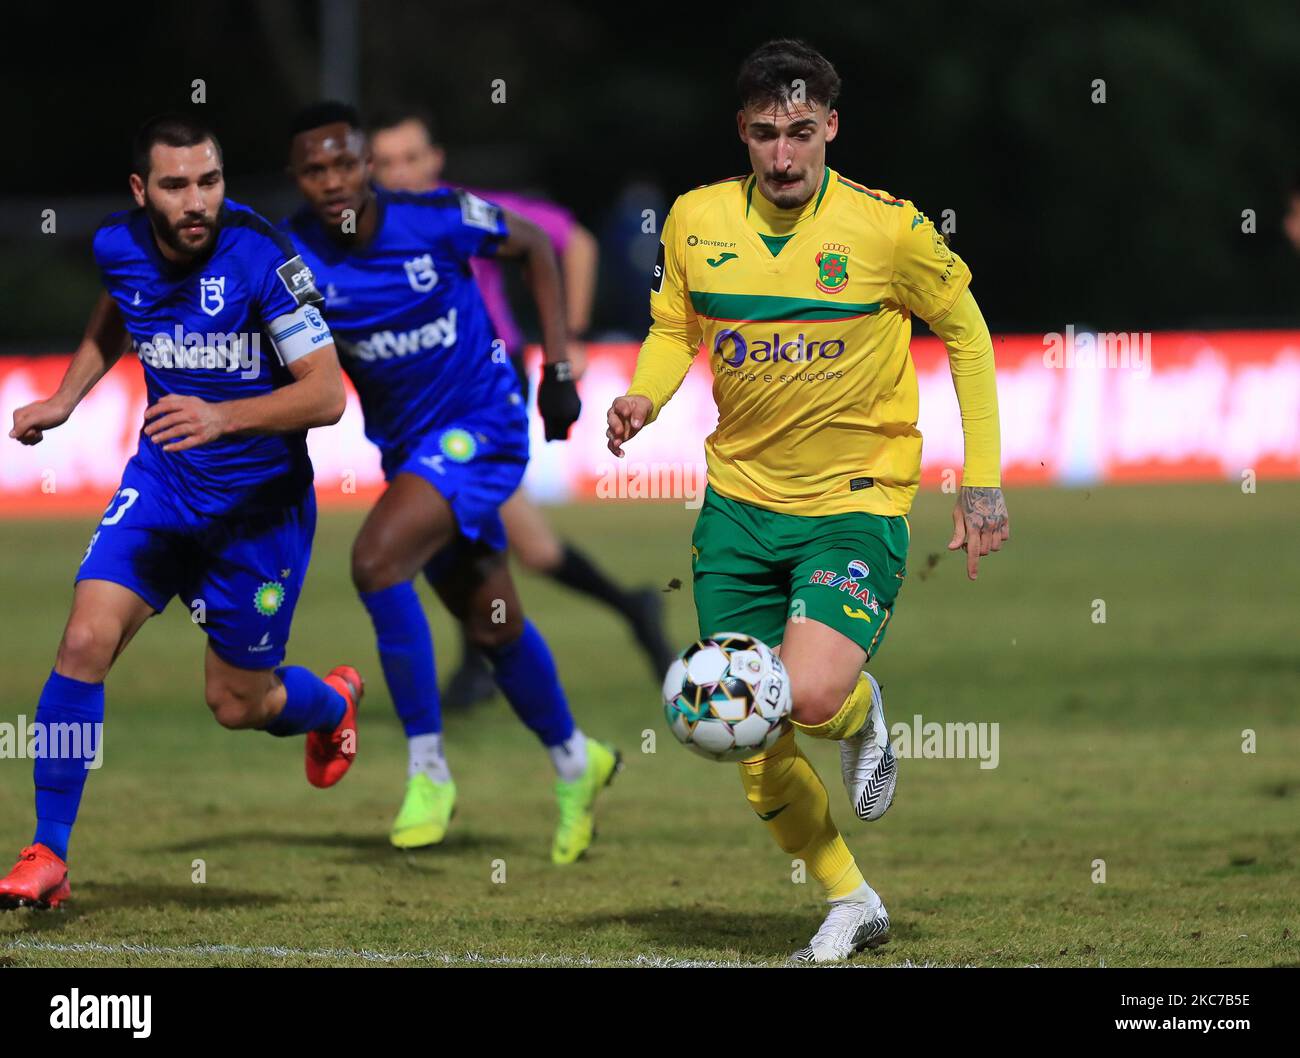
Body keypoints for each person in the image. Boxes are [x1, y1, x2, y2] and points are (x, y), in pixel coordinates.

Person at [606, 40, 1010, 962]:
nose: (782, 156)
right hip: (739, 507)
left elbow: (969, 335)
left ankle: (860, 711)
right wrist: (644, 393)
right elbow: (676, 327)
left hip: (854, 501)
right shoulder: (696, 220)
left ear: (830, 126)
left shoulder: (888, 229)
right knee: (739, 729)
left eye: (799, 132)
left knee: (813, 695)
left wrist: (979, 476)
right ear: (740, 133)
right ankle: (850, 900)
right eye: (763, 135)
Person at [1, 113, 362, 910]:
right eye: (175, 185)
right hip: (163, 488)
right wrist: (67, 396)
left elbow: (327, 395)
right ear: (142, 191)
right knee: (82, 639)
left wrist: (221, 417)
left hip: (258, 512)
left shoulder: (264, 257)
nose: (197, 200)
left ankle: (332, 702)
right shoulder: (116, 246)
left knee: (240, 703)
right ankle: (47, 853)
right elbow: (116, 311)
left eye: (209, 181)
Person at [282, 102, 620, 860]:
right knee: (491, 620)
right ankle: (577, 761)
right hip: (410, 452)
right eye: (315, 169)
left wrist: (559, 367)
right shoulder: (294, 257)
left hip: (484, 423)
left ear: (366, 165)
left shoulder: (435, 219)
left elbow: (534, 244)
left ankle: (427, 769)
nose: (333, 181)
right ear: (297, 179)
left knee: (375, 561)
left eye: (345, 163)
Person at [367, 110, 674, 710]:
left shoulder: (465, 210)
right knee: (525, 546)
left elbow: (574, 241)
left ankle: (480, 661)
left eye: (411, 158)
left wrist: (573, 339)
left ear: (435, 160)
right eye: (385, 162)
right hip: (422, 396)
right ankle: (630, 608)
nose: (400, 173)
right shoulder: (369, 231)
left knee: (444, 515)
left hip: (485, 387)